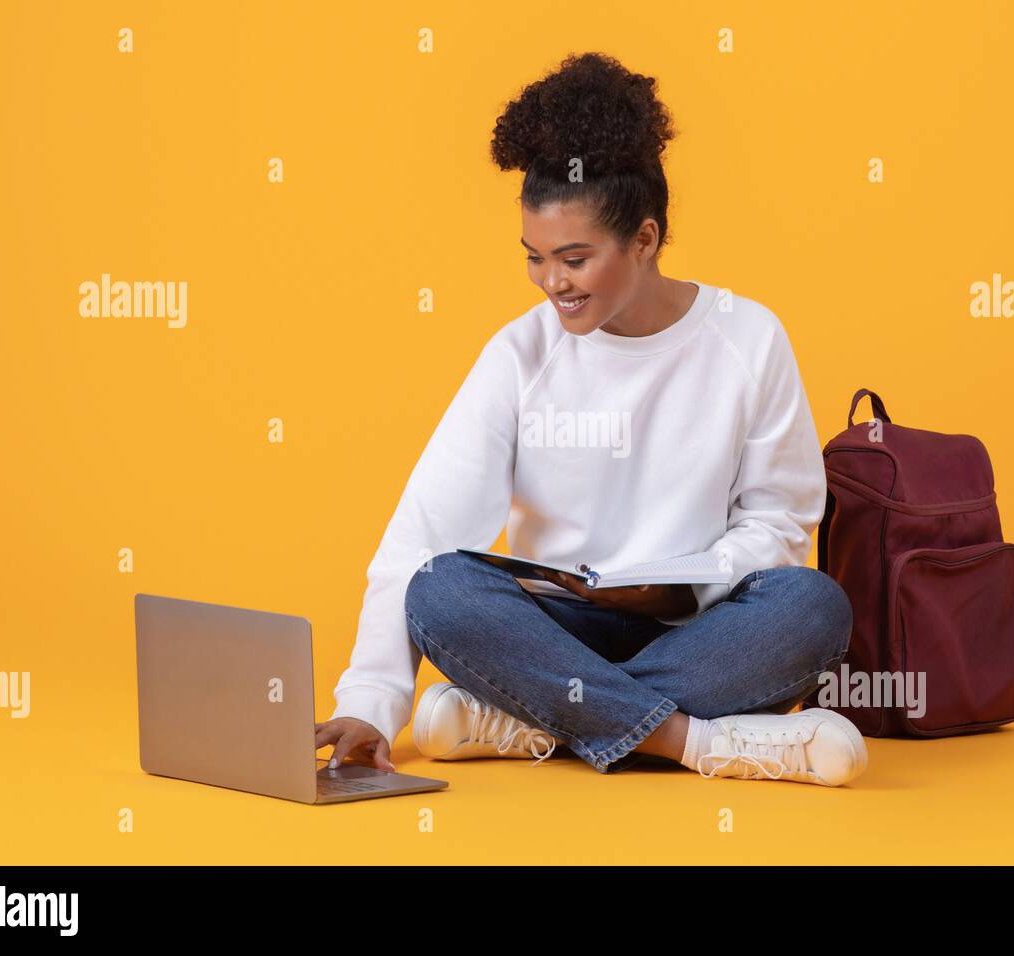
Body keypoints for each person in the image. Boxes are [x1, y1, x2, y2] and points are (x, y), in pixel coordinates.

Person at [314, 51, 866, 785]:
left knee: (811, 607)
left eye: (573, 259)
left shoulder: (748, 337)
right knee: (440, 589)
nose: (551, 283)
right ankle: (697, 744)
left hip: (699, 631)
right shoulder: (520, 354)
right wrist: (371, 703)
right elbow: (422, 537)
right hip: (553, 629)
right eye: (535, 258)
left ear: (643, 239)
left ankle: (526, 720)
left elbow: (780, 524)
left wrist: (689, 580)